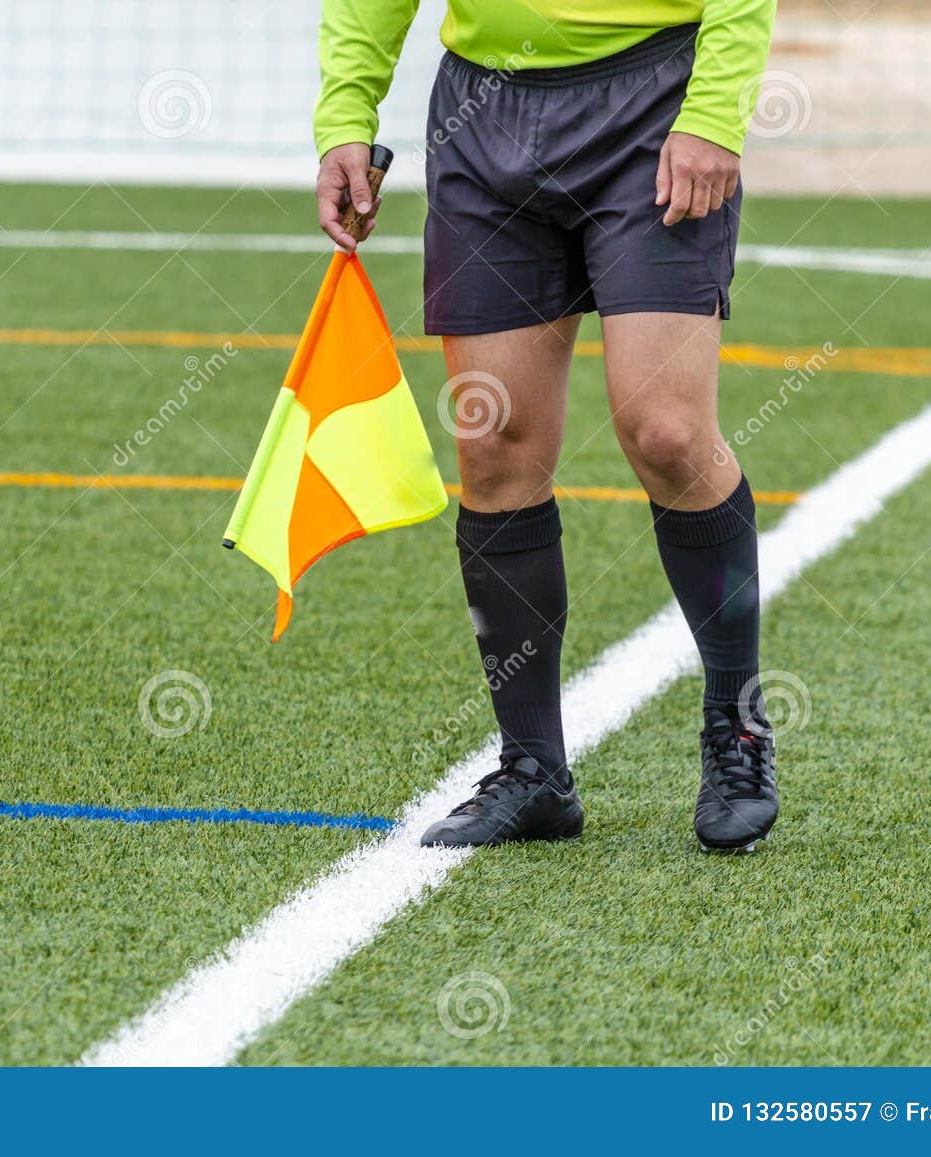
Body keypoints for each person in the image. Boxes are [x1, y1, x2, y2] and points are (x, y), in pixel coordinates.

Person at [315, 1, 779, 851]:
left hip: (654, 105)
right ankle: (533, 770)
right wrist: (347, 115)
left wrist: (714, 114)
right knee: (494, 448)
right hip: (484, 120)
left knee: (668, 433)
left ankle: (738, 732)